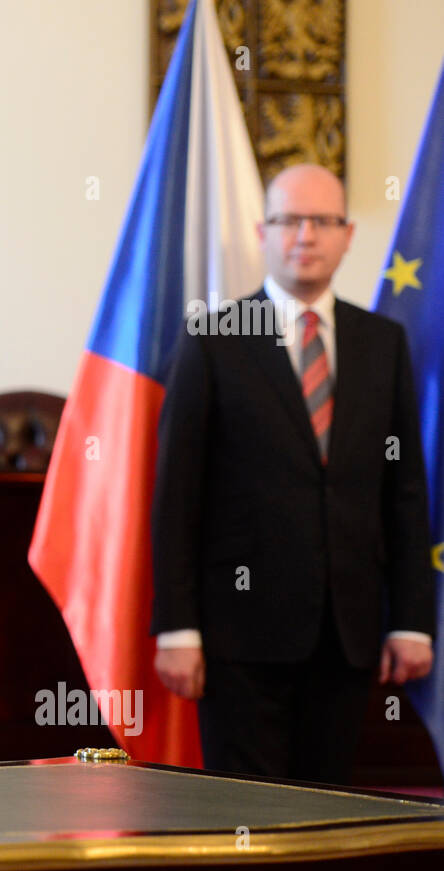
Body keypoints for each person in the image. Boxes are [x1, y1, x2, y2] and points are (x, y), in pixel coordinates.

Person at [151, 163, 435, 784]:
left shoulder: (381, 343)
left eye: (322, 221)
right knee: (247, 825)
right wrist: (177, 627)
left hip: (348, 637)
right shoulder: (214, 337)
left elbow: (405, 492)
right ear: (263, 231)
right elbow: (177, 498)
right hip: (238, 639)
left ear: (348, 235)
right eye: (288, 220)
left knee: (325, 820)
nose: (305, 235)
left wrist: (412, 619)